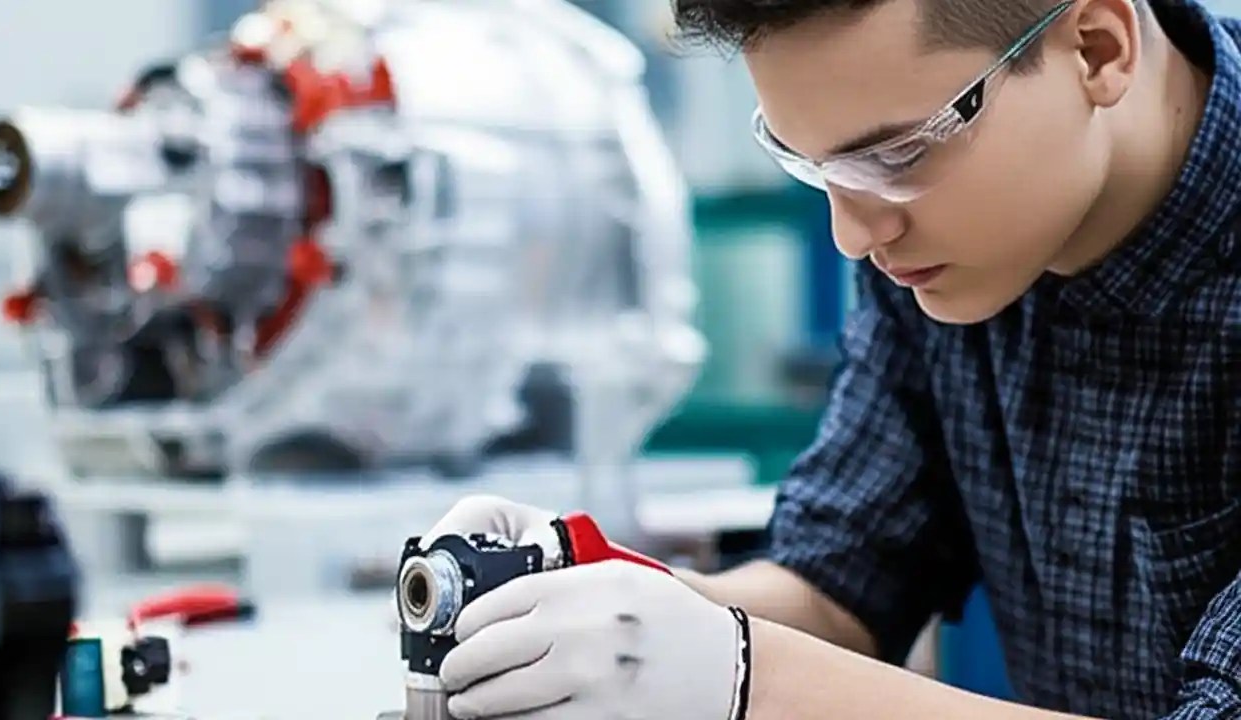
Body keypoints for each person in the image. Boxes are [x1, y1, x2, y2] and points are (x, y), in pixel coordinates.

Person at [417, 0, 1241, 717]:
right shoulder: (932, 248)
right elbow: (838, 582)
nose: (855, 234)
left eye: (897, 156)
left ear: (1097, 48)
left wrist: (742, 678)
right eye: (812, 165)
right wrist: (587, 595)